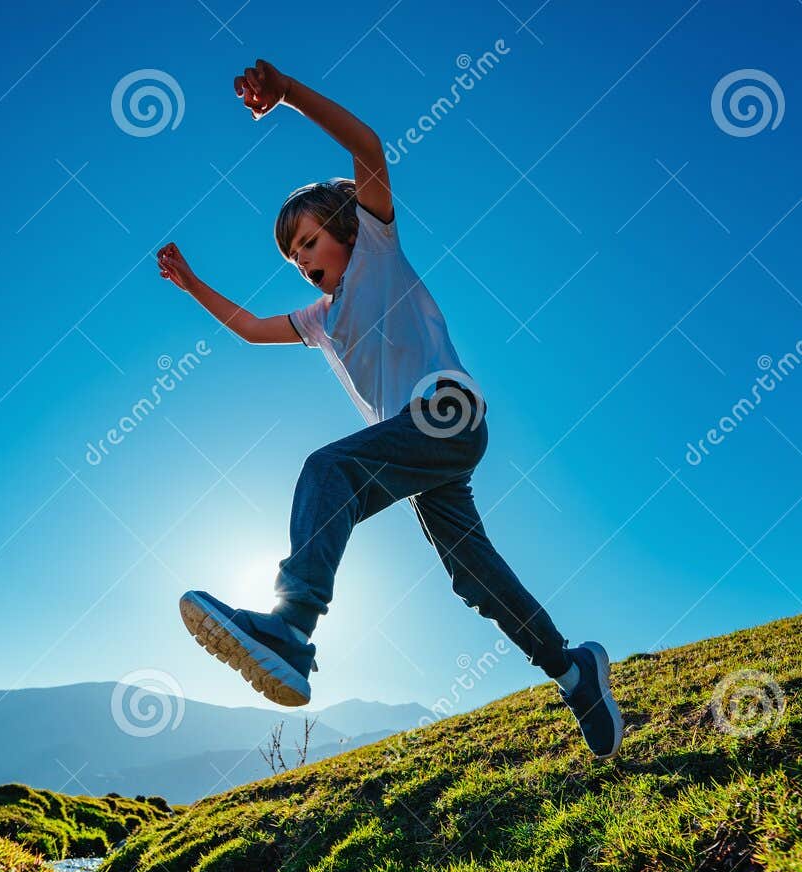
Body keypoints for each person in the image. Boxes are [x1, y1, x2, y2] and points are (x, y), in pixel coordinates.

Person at [155, 59, 622, 758]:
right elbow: (252, 328)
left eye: (310, 241)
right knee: (471, 575)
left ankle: (292, 626)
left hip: (446, 413)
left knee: (328, 470)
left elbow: (367, 147)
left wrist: (288, 95)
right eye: (293, 256)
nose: (304, 259)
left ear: (345, 229)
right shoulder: (318, 318)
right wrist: (193, 285)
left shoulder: (376, 244)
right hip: (417, 449)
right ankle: (572, 670)